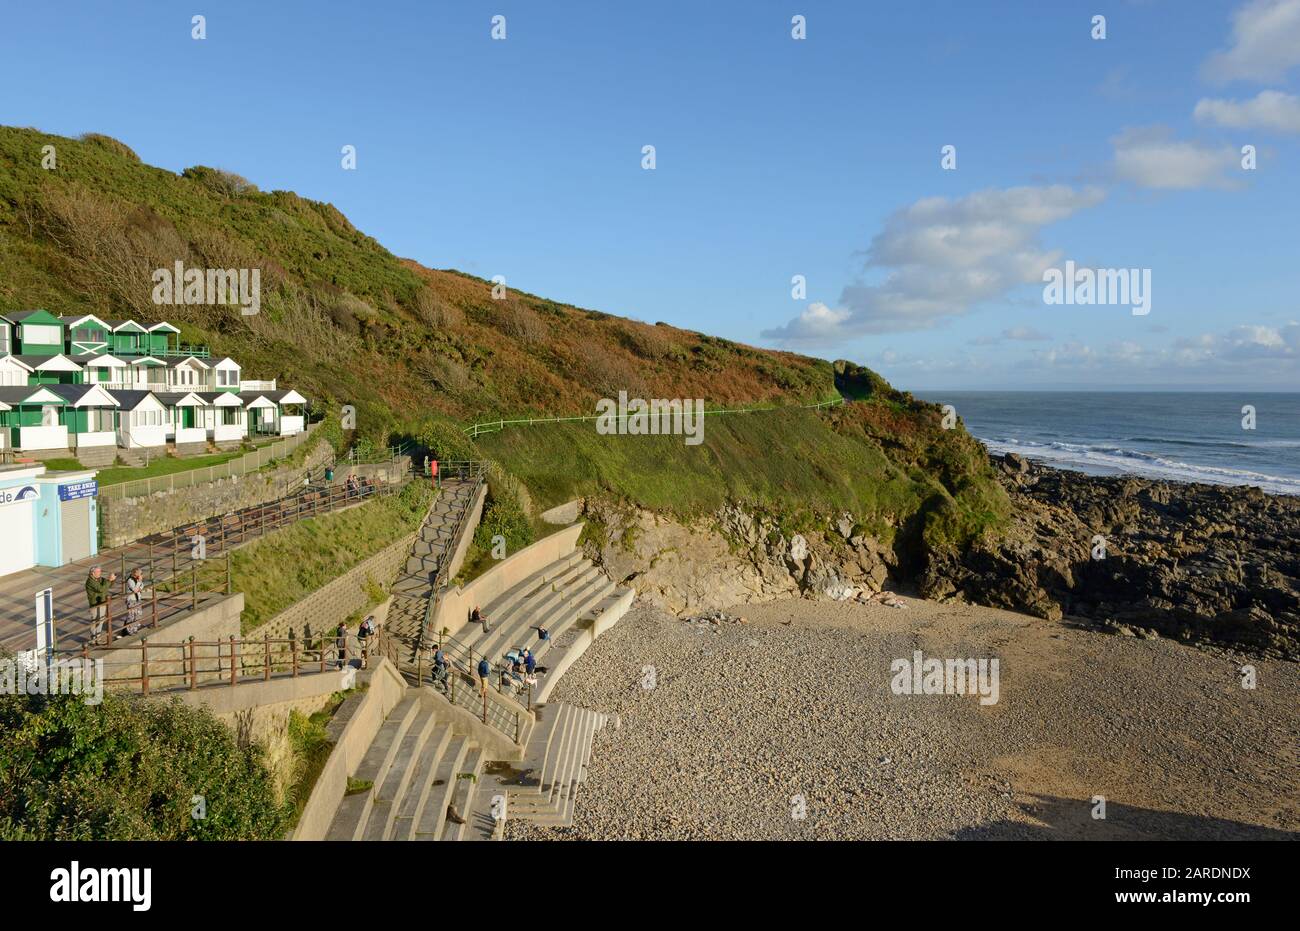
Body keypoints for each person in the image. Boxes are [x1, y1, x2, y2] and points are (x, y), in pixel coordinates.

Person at [85, 566, 117, 642]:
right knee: (94, 621)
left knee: (101, 620)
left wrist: (112, 580)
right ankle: (93, 639)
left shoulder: (101, 579)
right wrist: (109, 580)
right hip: (95, 604)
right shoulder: (90, 581)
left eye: (100, 571)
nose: (100, 573)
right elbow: (100, 589)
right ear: (93, 573)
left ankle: (98, 638)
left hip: (102, 602)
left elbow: (109, 585)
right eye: (98, 571)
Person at [124, 567, 146, 635]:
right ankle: (129, 630)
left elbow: (142, 586)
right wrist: (139, 582)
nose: (141, 575)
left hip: (138, 599)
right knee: (131, 616)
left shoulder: (138, 579)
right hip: (131, 600)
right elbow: (135, 590)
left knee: (138, 614)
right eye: (140, 573)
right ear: (135, 573)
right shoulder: (130, 580)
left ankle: (135, 628)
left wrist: (139, 583)